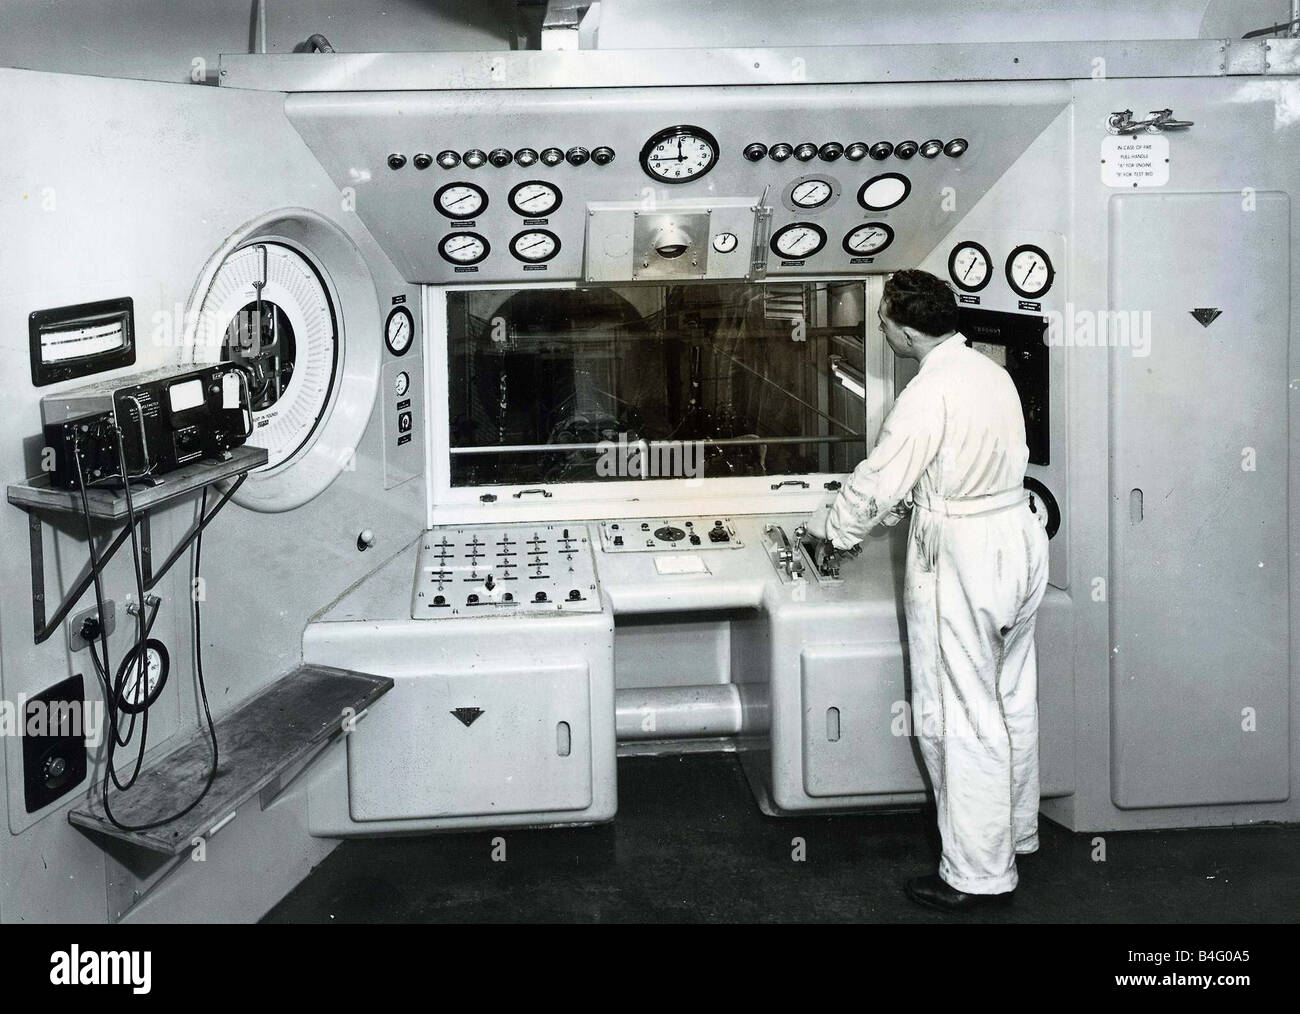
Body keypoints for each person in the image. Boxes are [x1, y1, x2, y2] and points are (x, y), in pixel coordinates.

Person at [805, 269, 1049, 911]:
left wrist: (836, 533)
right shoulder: (991, 372)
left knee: (960, 710)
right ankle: (1015, 833)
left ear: (905, 329)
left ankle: (976, 874)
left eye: (882, 321)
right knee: (1010, 695)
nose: (881, 329)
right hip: (1019, 535)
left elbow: (878, 481)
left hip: (964, 552)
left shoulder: (926, 391)